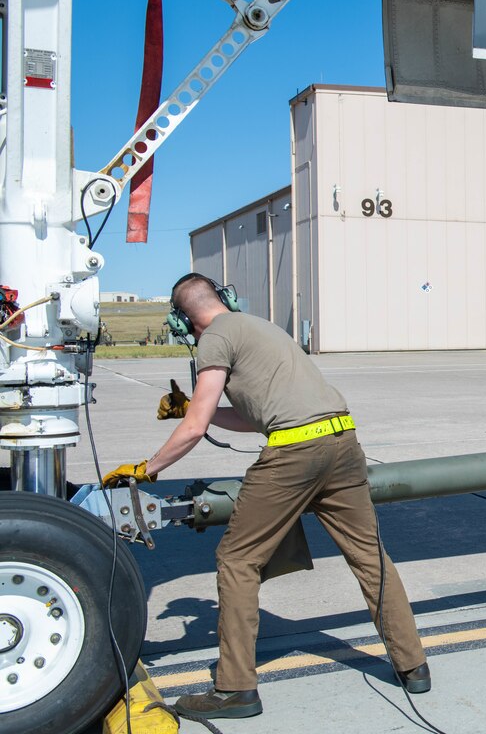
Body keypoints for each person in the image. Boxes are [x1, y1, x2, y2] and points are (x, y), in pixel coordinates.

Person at [102, 273, 429, 720]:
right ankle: (413, 665)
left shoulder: (214, 338)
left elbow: (195, 428)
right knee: (370, 557)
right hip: (343, 441)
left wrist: (147, 468)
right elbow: (254, 416)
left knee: (237, 560)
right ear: (224, 297)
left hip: (296, 455)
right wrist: (195, 408)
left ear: (182, 320)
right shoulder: (259, 327)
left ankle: (236, 689)